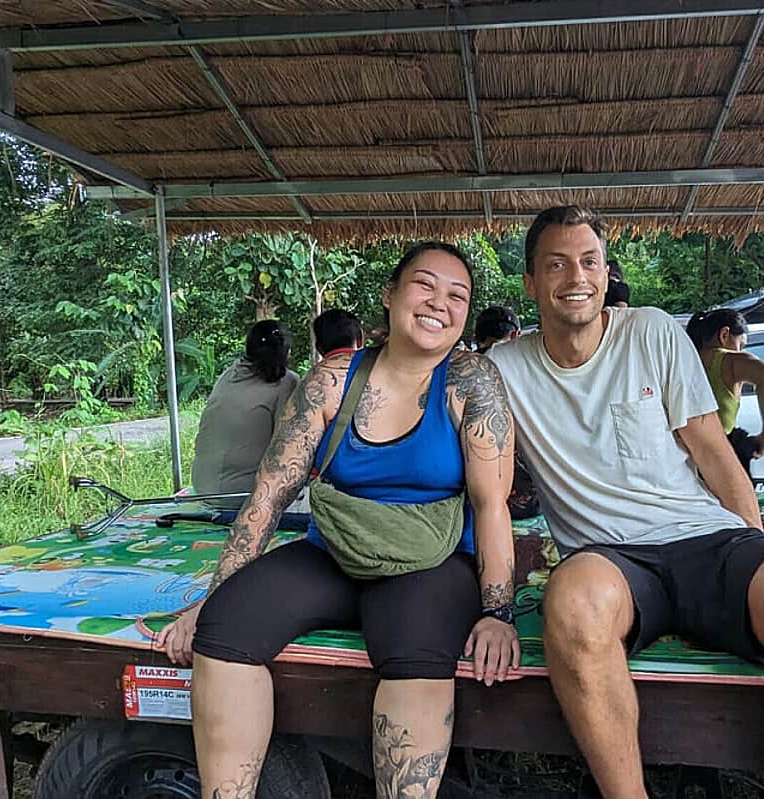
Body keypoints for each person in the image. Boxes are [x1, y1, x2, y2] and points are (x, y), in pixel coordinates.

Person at [486, 206, 764, 799]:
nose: (576, 276)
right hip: (609, 560)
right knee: (573, 605)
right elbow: (480, 477)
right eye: (556, 264)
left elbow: (714, 453)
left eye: (589, 261)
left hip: (708, 538)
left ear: (607, 273)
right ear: (530, 283)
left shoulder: (652, 331)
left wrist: (760, 550)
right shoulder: (503, 369)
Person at [155, 242, 520, 799]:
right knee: (224, 630)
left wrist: (498, 613)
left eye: (457, 296)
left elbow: (492, 504)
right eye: (424, 285)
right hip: (333, 550)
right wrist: (215, 594)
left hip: (432, 561)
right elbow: (268, 496)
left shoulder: (470, 379)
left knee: (415, 652)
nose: (439, 304)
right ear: (390, 295)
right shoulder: (332, 379)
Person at [190, 320, 300, 510]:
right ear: (286, 352)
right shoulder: (287, 381)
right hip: (243, 495)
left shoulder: (227, 375)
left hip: (202, 487)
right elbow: (287, 445)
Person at [686, 308, 764, 475]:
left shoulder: (684, 360)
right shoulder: (728, 361)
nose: (740, 350)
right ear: (724, 334)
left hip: (684, 455)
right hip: (717, 458)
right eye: (741, 345)